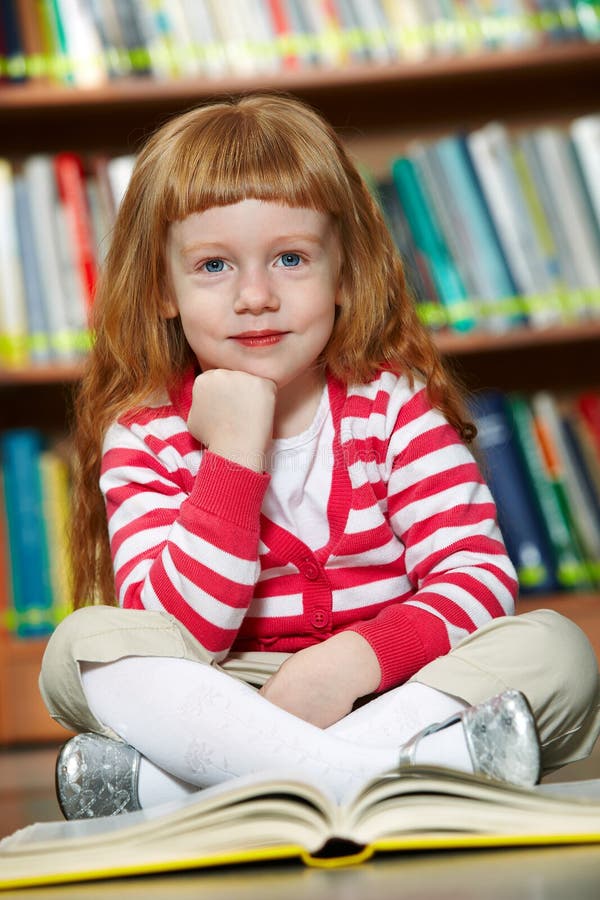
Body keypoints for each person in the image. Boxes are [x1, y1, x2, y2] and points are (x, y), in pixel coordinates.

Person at [40, 93, 599, 820]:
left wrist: (348, 665)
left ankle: (221, 787)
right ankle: (388, 776)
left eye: (291, 258)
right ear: (161, 291)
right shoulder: (143, 436)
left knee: (559, 649)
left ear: (343, 274)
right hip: (226, 699)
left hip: (394, 689)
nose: (255, 296)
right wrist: (235, 452)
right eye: (213, 265)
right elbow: (184, 637)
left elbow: (476, 578)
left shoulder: (392, 407)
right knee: (81, 648)